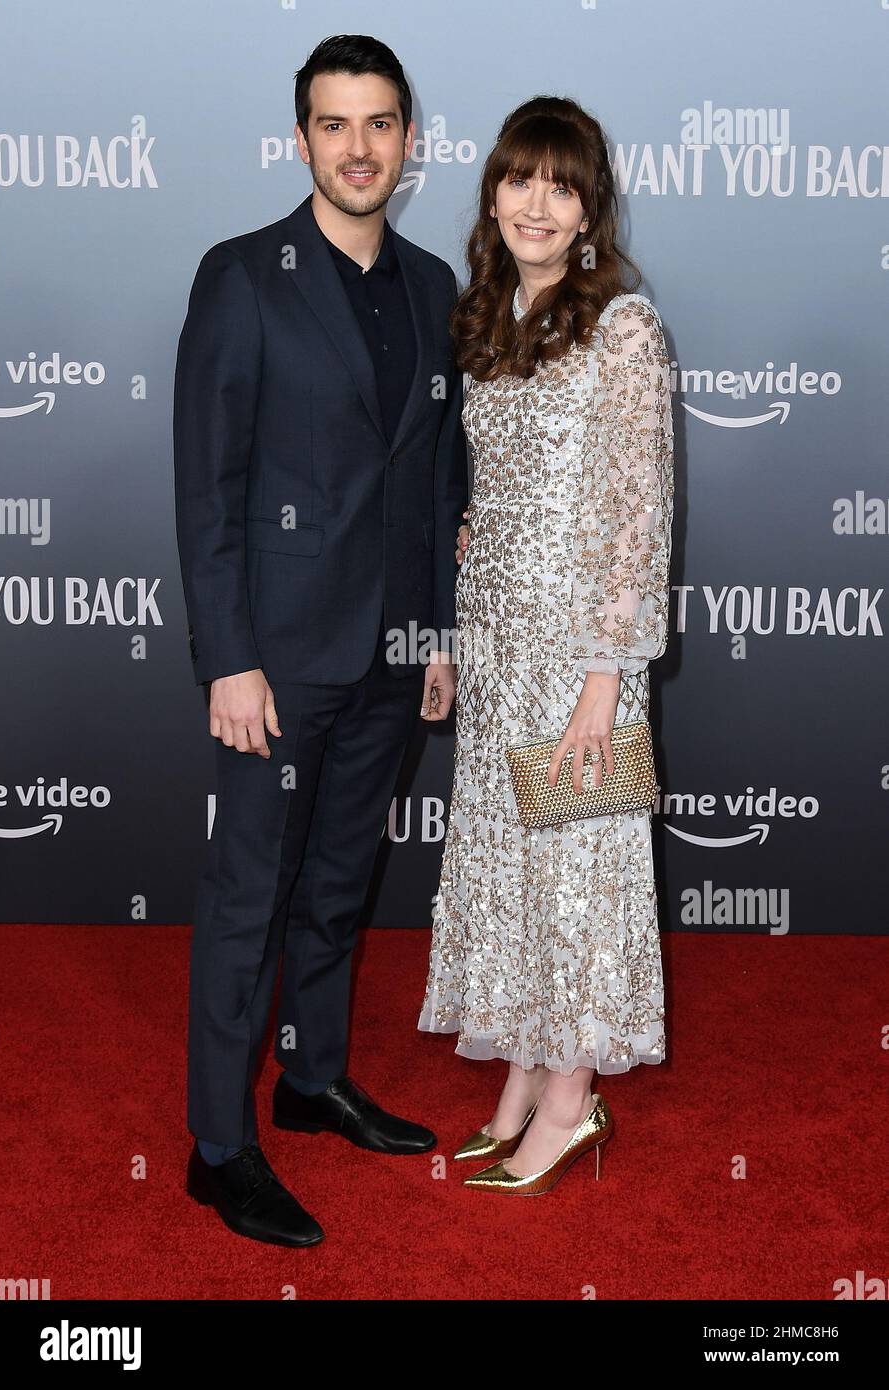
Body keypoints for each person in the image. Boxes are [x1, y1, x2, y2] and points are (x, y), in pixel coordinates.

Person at [173, 34, 468, 1247]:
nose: (358, 148)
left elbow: (435, 480)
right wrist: (226, 658)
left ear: (409, 140)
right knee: (252, 897)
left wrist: (437, 640)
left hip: (394, 652)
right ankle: (217, 1147)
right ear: (300, 140)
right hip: (279, 660)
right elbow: (209, 485)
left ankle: (309, 1081)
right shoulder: (243, 275)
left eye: (380, 123)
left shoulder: (434, 284)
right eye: (334, 125)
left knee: (340, 889)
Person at [418, 96, 675, 1194]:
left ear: (587, 211)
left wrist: (602, 685)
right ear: (491, 196)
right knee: (511, 866)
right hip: (497, 641)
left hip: (580, 656)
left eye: (559, 186)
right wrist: (471, 577)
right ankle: (524, 1070)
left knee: (575, 872)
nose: (534, 203)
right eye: (518, 180)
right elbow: (499, 487)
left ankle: (570, 1104)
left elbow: (632, 516)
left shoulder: (620, 324)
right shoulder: (488, 321)